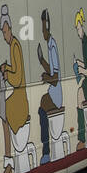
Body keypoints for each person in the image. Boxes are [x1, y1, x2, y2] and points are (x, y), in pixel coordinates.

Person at [0, 4, 28, 173]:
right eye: (3, 33)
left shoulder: (15, 45)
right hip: (18, 94)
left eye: (5, 32)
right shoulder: (13, 45)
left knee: (5, 114)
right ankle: (8, 161)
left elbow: (18, 78)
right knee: (3, 114)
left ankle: (9, 164)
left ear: (9, 29)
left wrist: (6, 74)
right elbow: (16, 70)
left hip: (20, 96)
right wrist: (6, 67)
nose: (4, 36)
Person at [35, 9, 61, 164]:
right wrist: (41, 60)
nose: (42, 31)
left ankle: (46, 152)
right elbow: (51, 69)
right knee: (42, 104)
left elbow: (56, 78)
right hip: (53, 91)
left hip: (56, 93)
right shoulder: (49, 44)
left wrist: (47, 78)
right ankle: (45, 150)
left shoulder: (52, 45)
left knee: (42, 107)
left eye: (43, 28)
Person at [72, 9, 87, 150]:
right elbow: (86, 63)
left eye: (78, 28)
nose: (78, 31)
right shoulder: (83, 41)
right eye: (77, 29)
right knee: (79, 94)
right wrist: (78, 63)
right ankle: (82, 138)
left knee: (80, 95)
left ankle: (82, 138)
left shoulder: (85, 42)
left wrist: (80, 69)